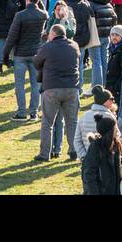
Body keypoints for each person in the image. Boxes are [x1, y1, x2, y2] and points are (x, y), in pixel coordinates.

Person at [33, 24, 82, 162]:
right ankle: (74, 151)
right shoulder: (74, 46)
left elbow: (36, 63)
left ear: (53, 34)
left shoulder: (47, 47)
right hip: (72, 88)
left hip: (52, 88)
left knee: (47, 122)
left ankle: (44, 154)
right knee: (72, 122)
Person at [80, 114, 122, 195]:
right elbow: (89, 174)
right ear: (110, 131)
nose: (117, 130)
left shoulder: (117, 145)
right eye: (115, 127)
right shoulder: (95, 148)